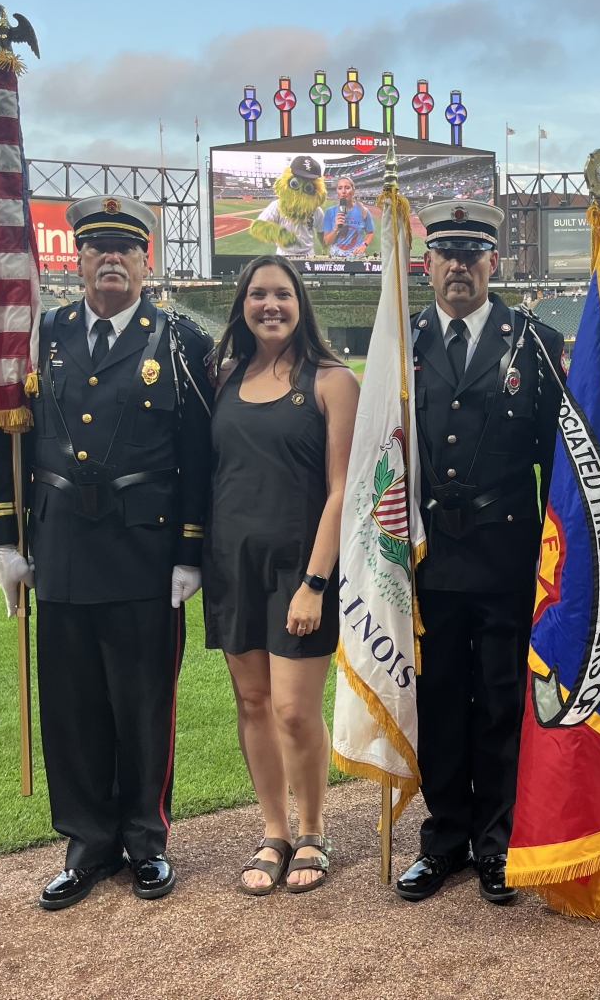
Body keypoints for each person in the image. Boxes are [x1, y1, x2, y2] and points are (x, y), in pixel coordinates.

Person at [0, 195, 214, 910]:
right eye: (96, 247)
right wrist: (3, 536)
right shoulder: (40, 335)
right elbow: (7, 437)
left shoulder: (180, 342)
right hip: (61, 549)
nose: (110, 258)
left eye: (125, 247)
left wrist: (190, 550)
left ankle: (146, 839)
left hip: (145, 553)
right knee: (73, 707)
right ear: (75, 258)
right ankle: (85, 843)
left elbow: (199, 458)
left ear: (147, 260)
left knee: (144, 705)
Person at [393, 200, 564, 906]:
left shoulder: (534, 342)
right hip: (428, 559)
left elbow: (560, 463)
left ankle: (497, 841)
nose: (458, 266)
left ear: (495, 261)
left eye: (472, 254)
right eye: (446, 254)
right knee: (436, 700)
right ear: (426, 262)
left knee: (498, 700)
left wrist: (559, 561)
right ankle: (443, 839)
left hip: (504, 556)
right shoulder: (400, 344)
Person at [202, 254, 358, 895]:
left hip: (299, 566)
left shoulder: (331, 380)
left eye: (283, 295)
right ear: (243, 304)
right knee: (252, 703)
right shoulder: (225, 377)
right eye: (259, 294)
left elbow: (342, 487)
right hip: (232, 563)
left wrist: (315, 583)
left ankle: (313, 829)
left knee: (295, 710)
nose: (270, 305)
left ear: (302, 305)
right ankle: (274, 830)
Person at [320, 176, 375, 258]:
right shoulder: (330, 212)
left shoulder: (364, 211)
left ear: (353, 191)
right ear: (337, 192)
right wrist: (335, 228)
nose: (343, 191)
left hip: (356, 257)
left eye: (347, 188)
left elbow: (370, 233)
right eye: (340, 188)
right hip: (336, 258)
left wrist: (363, 245)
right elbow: (327, 242)